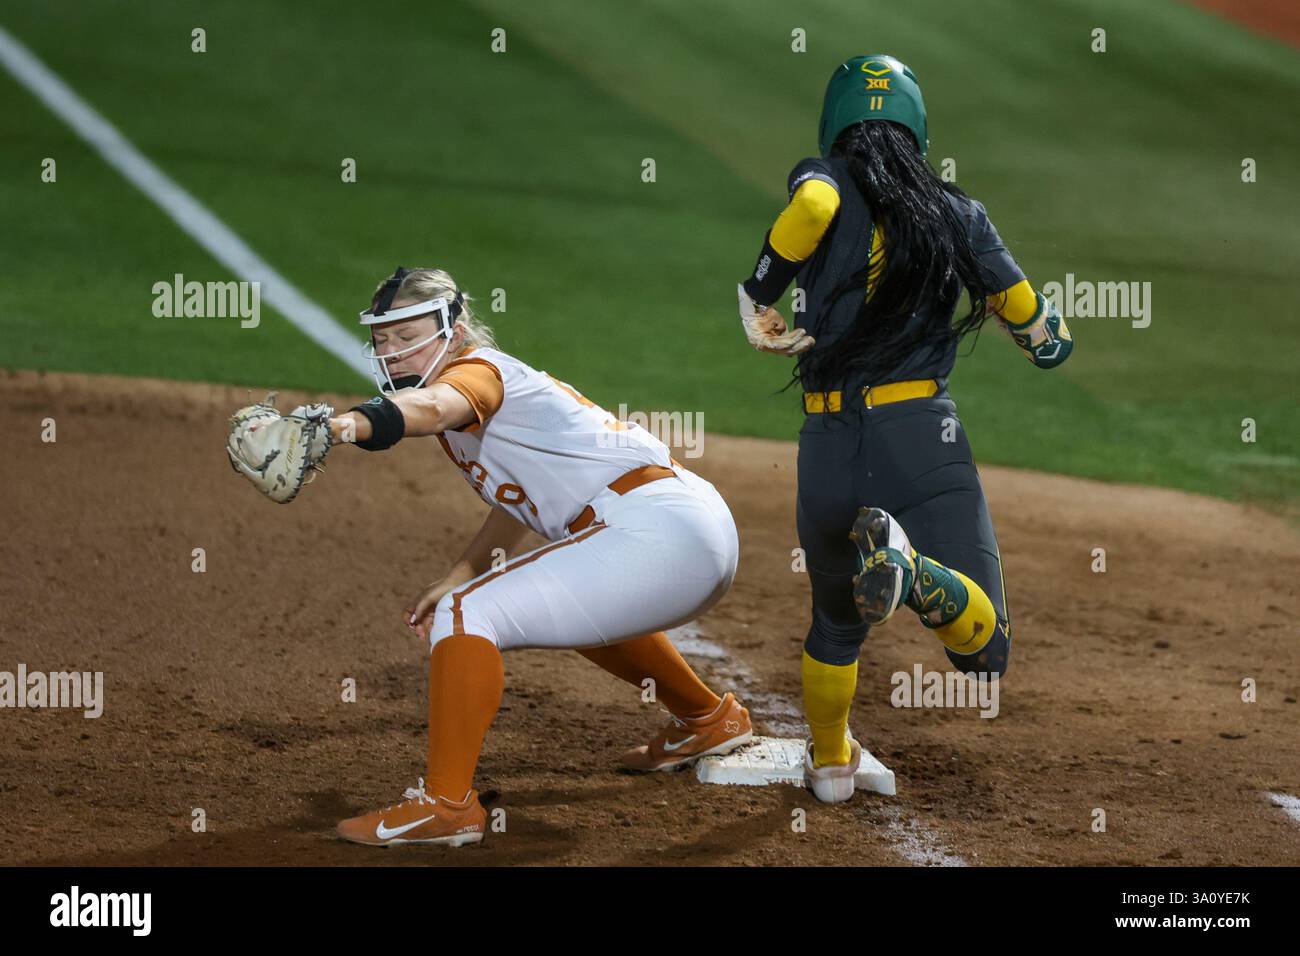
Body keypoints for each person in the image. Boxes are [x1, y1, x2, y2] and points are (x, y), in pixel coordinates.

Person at [251, 266, 753, 846]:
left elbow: (433, 409)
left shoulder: (478, 374)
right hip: (676, 530)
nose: (392, 353)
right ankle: (709, 720)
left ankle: (445, 807)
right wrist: (462, 570)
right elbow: (518, 503)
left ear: (453, 327)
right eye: (383, 339)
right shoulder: (491, 393)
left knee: (467, 615)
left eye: (408, 334)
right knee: (570, 598)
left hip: (658, 531)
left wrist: (341, 426)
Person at [735, 55, 1073, 803]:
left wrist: (756, 291)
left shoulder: (819, 172)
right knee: (986, 655)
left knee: (833, 622)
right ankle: (914, 574)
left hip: (826, 445)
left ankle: (829, 766)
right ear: (917, 126)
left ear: (835, 122)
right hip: (922, 440)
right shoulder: (957, 212)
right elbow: (1043, 341)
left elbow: (817, 207)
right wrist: (1044, 332)